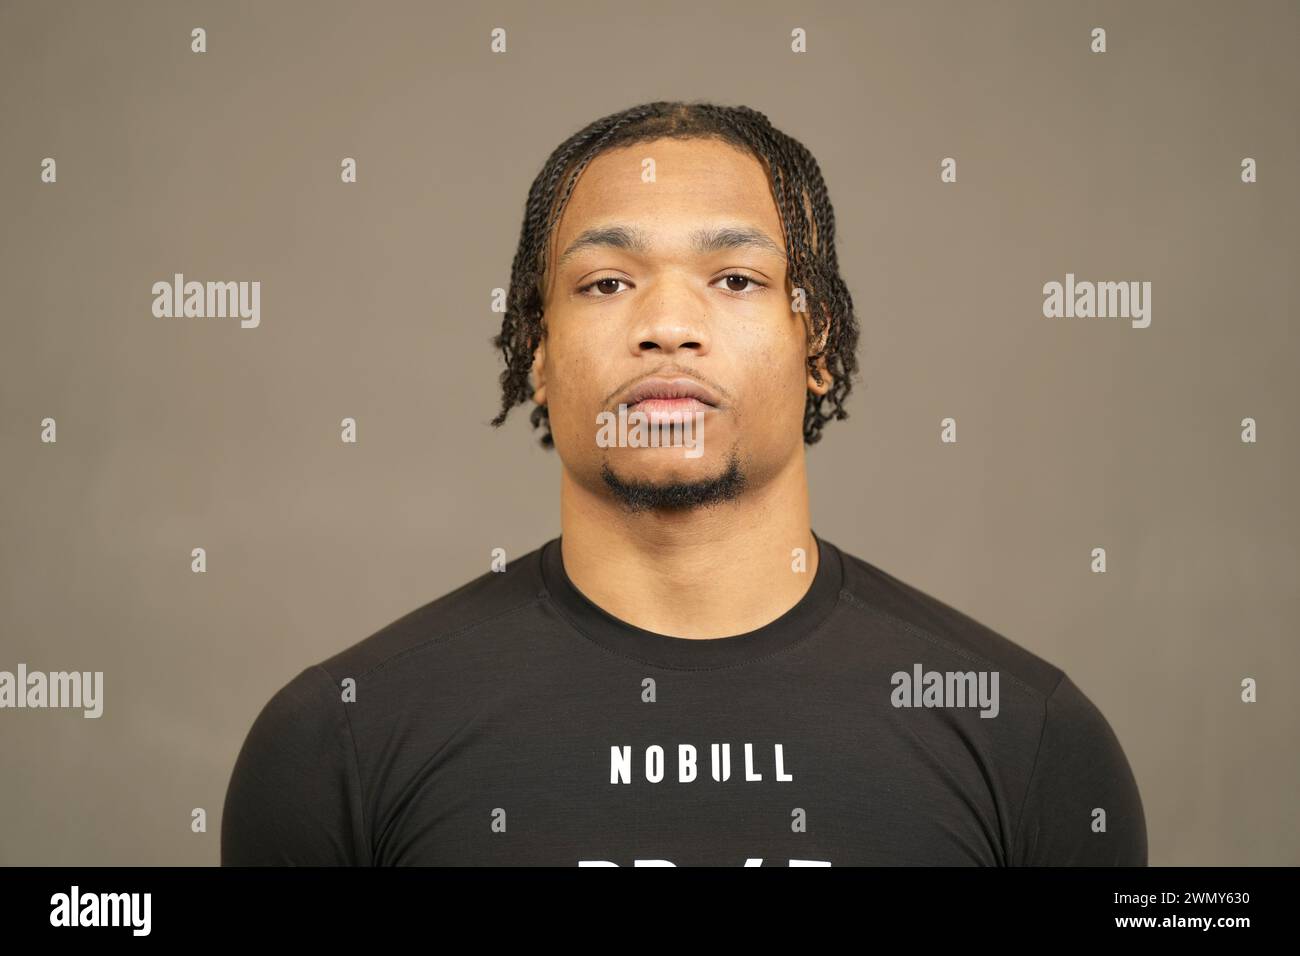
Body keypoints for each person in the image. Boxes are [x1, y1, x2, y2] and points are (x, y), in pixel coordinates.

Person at [221, 101, 1146, 866]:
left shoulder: (1028, 741)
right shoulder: (336, 741)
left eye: (736, 278)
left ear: (815, 343)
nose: (668, 324)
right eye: (606, 283)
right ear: (535, 354)